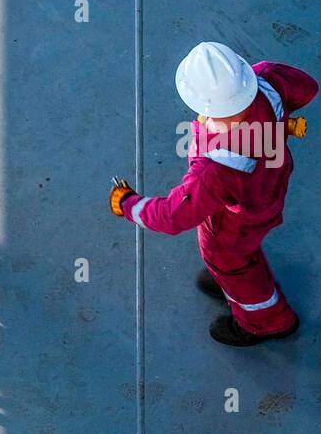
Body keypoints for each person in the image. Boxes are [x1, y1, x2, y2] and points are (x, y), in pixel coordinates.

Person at [111, 42, 316, 345]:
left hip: (233, 224)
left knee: (233, 265)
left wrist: (128, 204)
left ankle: (268, 321)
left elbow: (173, 215)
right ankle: (228, 278)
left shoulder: (215, 168)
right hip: (269, 188)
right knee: (244, 253)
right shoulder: (268, 79)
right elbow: (307, 87)